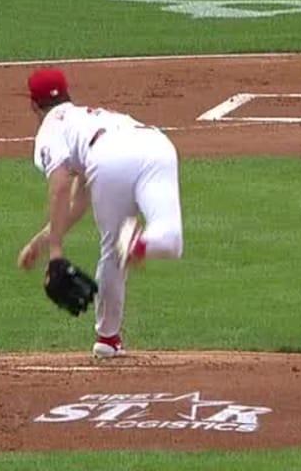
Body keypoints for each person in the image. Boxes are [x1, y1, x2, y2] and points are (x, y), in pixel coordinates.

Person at [16, 68, 186, 359]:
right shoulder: (91, 116)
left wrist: (56, 253)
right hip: (156, 145)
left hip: (107, 156)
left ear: (33, 104)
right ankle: (136, 243)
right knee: (169, 240)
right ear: (68, 94)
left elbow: (59, 186)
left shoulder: (51, 128)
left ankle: (107, 338)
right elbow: (76, 204)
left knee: (112, 251)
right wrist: (40, 242)